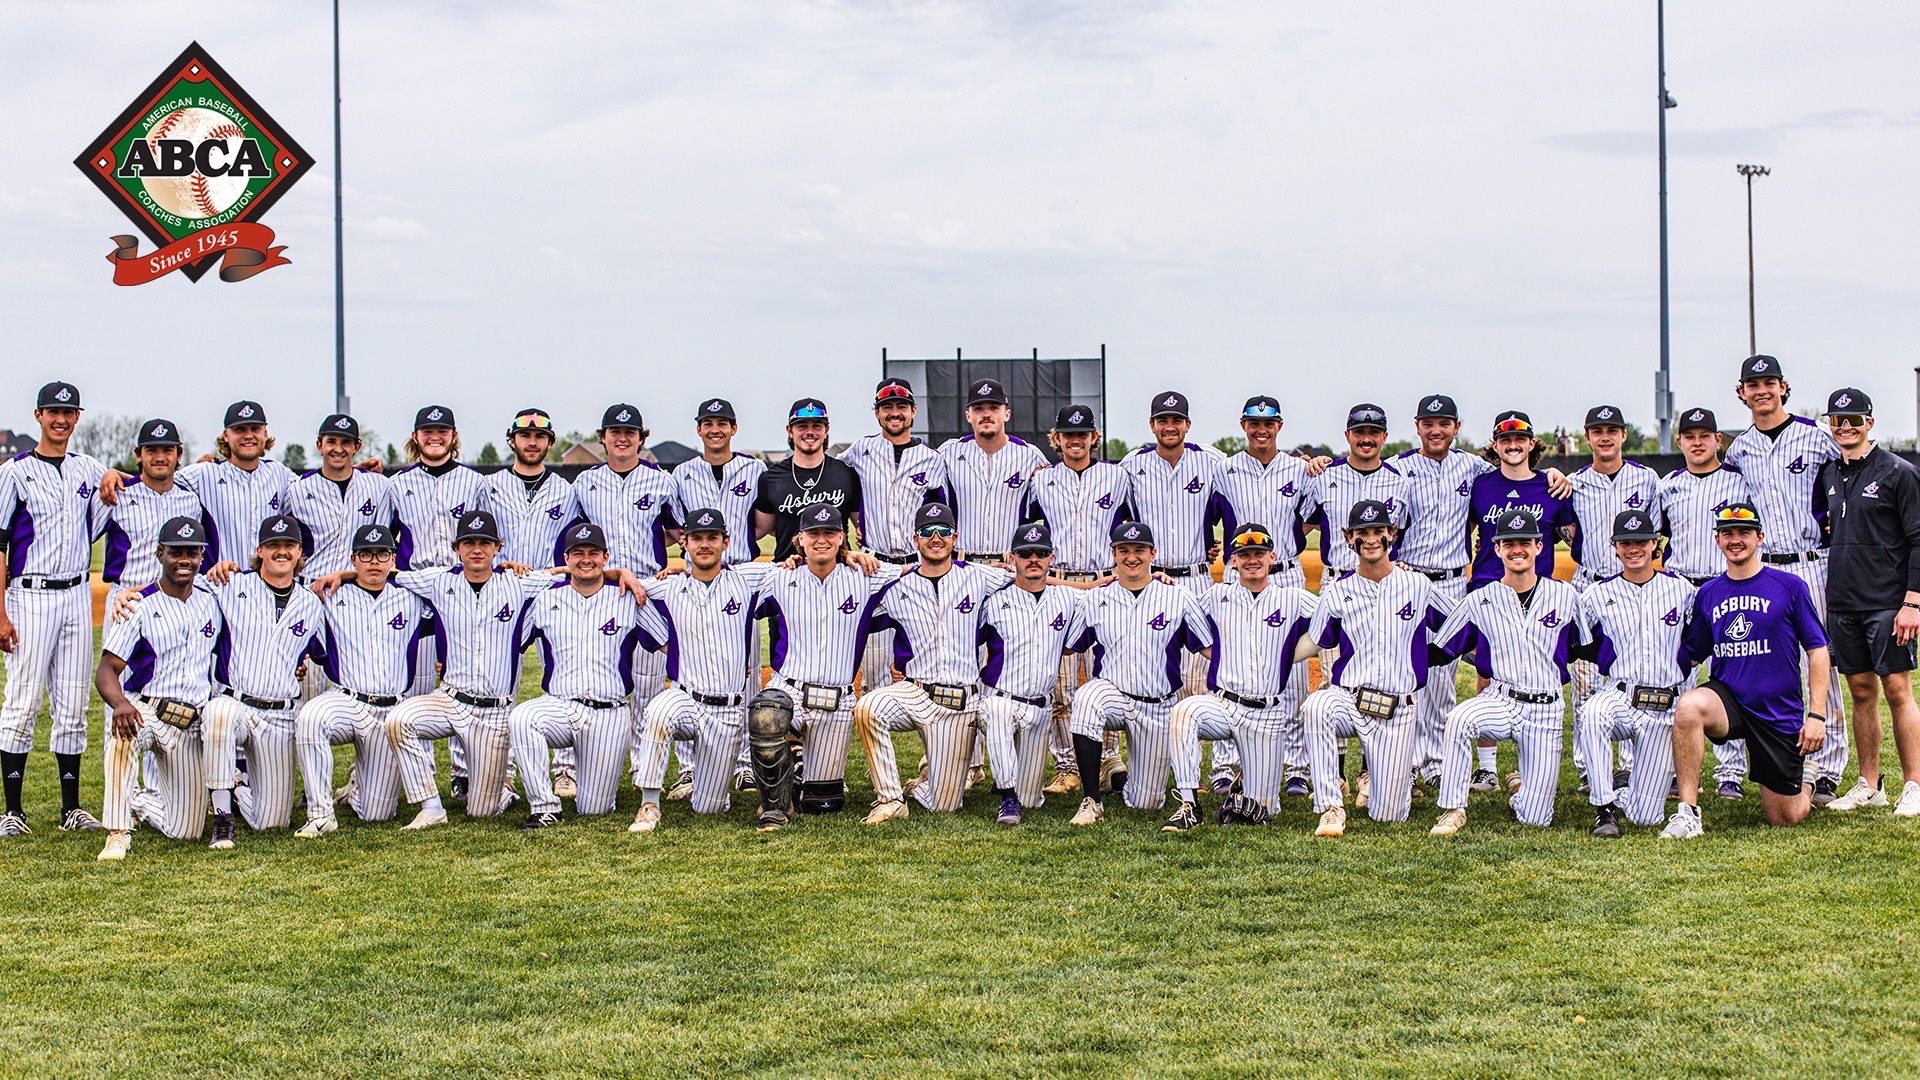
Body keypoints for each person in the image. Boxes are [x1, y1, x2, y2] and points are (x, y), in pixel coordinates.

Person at [317, 510, 556, 828]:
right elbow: (385, 574)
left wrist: (616, 573)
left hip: (494, 712)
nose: (476, 549)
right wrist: (344, 575)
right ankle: (431, 807)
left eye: (484, 543)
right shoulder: (439, 581)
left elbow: (574, 575)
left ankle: (499, 790)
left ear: (497, 547)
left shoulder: (518, 583)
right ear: (457, 548)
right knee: (399, 719)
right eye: (469, 542)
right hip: (451, 700)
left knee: (482, 811)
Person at [1664, 502, 1832, 836]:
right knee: (1688, 706)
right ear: (1717, 540)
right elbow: (1692, 654)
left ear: (1760, 538)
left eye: (1744, 532)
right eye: (1727, 534)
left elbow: (1817, 650)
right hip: (1729, 700)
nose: (1736, 540)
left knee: (1784, 817)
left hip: (1776, 710)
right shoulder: (1709, 593)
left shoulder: (1789, 586)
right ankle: (1688, 813)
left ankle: (1806, 781)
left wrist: (1816, 716)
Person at [1723, 355, 1847, 802]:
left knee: (1821, 661)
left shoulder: (1815, 436)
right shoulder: (1739, 449)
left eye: (1769, 382)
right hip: (1766, 566)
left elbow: (1852, 470)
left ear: (1783, 386)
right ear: (1742, 392)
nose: (1761, 390)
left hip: (1811, 560)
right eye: (1753, 384)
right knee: (1770, 664)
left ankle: (1829, 766)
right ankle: (1771, 758)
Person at [1428, 509, 1587, 835]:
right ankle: (1453, 809)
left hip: (1545, 708)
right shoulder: (1480, 599)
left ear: (1539, 546)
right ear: (1497, 548)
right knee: (1460, 718)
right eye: (1509, 543)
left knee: (1536, 819)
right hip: (1501, 701)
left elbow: (1584, 647)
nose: (1518, 550)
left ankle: (1521, 789)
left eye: (1525, 542)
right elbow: (1441, 650)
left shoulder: (1565, 596)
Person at [854, 503, 1014, 823]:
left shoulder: (978, 577)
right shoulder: (898, 587)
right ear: (916, 539)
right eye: (927, 532)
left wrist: (1093, 586)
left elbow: (1028, 580)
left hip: (959, 703)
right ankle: (891, 798)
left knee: (943, 805)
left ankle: (922, 785)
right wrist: (848, 556)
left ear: (955, 538)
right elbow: (853, 602)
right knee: (869, 706)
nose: (936, 538)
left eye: (943, 531)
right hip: (915, 692)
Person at [1300, 501, 1453, 837]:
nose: (1370, 539)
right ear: (1349, 538)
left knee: (1388, 816)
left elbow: (1459, 625)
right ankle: (1330, 808)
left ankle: (1385, 789)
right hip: (1349, 700)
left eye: (1377, 531)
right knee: (1316, 706)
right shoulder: (1339, 591)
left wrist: (1429, 656)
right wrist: (1273, 659)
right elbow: (1314, 640)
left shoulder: (1417, 585)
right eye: (1362, 532)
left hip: (1398, 708)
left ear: (1391, 534)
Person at [0, 381, 109, 837]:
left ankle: (71, 809)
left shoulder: (88, 468)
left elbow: (122, 487)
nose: (60, 419)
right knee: (23, 701)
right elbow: (0, 545)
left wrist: (114, 475)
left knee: (72, 704)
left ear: (77, 417)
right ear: (39, 416)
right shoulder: (14, 472)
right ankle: (12, 811)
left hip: (76, 594)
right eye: (52, 412)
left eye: (68, 412)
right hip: (29, 594)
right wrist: (0, 613)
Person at [1163, 522, 1317, 830]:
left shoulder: (1293, 599)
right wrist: (1160, 583)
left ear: (1272, 557)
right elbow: (1182, 618)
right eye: (1244, 554)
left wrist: (1287, 655)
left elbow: (1333, 620)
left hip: (1267, 714)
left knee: (1263, 809)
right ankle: (1189, 804)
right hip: (1223, 705)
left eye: (1259, 553)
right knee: (1184, 712)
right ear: (1233, 560)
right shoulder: (1217, 595)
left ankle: (1245, 783)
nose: (1252, 560)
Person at [1063, 520, 1215, 826]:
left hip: (1157, 706)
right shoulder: (1096, 599)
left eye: (1139, 550)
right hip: (1112, 695)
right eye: (1124, 550)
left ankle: (1115, 777)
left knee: (1145, 802)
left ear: (1152, 553)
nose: (1131, 557)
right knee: (1087, 698)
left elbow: (1209, 648)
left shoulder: (1178, 597)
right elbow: (1067, 648)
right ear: (1113, 554)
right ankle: (1091, 800)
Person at [566, 404, 684, 798]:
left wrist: (685, 565)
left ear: (641, 437)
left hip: (646, 591)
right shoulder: (585, 483)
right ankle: (573, 768)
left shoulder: (661, 481)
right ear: (602, 437)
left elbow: (679, 533)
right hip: (600, 592)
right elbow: (570, 540)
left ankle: (642, 768)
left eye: (630, 432)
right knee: (591, 680)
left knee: (649, 687)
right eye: (615, 432)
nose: (622, 438)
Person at [1814, 389, 1920, 815]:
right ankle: (1869, 784)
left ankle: (1913, 784)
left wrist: (1912, 603)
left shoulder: (1898, 472)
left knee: (1897, 690)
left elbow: (1918, 539)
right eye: (1837, 421)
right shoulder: (1829, 473)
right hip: (1843, 601)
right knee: (1860, 691)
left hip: (1887, 601)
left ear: (1870, 423)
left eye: (1854, 420)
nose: (1845, 427)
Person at [745, 504, 882, 831]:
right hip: (790, 688)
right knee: (767, 714)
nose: (821, 539)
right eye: (813, 534)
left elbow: (920, 571)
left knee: (823, 804)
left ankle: (797, 767)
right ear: (800, 539)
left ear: (841, 538)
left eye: (829, 533)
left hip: (836, 701)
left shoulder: (866, 578)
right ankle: (775, 808)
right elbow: (720, 574)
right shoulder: (780, 576)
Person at [629, 508, 766, 832]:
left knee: (709, 808)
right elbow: (625, 589)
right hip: (686, 699)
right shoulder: (670, 587)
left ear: (725, 542)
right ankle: (649, 804)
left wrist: (846, 556)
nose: (705, 544)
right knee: (658, 711)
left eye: (712, 538)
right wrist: (667, 643)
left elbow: (800, 568)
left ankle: (707, 788)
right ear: (684, 544)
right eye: (697, 538)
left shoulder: (746, 579)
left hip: (727, 711)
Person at [1207, 395, 1318, 794]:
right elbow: (1208, 515)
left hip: (1285, 573)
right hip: (1239, 574)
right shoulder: (1225, 469)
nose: (1261, 430)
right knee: (1232, 666)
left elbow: (1310, 518)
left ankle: (1295, 767)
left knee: (1292, 674)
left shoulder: (1298, 469)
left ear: (1279, 426)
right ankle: (1226, 765)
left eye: (1268, 423)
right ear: (1243, 425)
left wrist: (1286, 543)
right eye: (1254, 423)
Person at [93, 517, 222, 860]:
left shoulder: (212, 600)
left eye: (192, 552)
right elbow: (106, 670)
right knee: (123, 733)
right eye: (176, 552)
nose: (184, 560)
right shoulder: (139, 604)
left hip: (191, 723)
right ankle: (118, 831)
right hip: (147, 710)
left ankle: (139, 800)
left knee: (186, 831)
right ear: (160, 553)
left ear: (202, 555)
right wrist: (120, 703)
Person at [508, 523, 649, 829]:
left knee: (594, 809)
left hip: (609, 713)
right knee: (523, 717)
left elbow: (667, 642)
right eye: (578, 553)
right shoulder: (545, 599)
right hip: (561, 705)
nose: (586, 559)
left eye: (593, 553)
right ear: (566, 558)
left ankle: (591, 789)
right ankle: (544, 808)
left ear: (606, 557)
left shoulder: (628, 598)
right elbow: (512, 643)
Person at [292, 524, 426, 837]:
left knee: (376, 814)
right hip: (347, 700)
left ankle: (355, 790)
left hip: (389, 710)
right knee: (311, 717)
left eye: (382, 554)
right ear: (353, 559)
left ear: (393, 559)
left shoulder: (413, 599)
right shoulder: (328, 595)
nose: (374, 561)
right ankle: (320, 814)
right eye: (366, 554)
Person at [1023, 404, 1130, 796]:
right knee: (1061, 683)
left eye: (1082, 433)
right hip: (1061, 583)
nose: (1075, 440)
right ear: (1057, 438)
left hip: (1105, 583)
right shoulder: (1042, 481)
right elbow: (1025, 530)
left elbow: (1134, 527)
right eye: (1068, 434)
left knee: (1109, 678)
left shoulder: (1117, 477)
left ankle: (1108, 759)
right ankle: (1067, 766)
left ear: (1093, 437)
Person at [387, 405, 492, 790]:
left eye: (442, 430)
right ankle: (422, 773)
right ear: (416, 437)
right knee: (416, 683)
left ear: (453, 436)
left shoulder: (473, 482)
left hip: (460, 586)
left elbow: (487, 536)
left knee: (464, 681)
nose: (435, 436)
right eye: (427, 431)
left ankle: (463, 772)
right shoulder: (396, 484)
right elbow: (385, 539)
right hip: (414, 590)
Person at [1573, 511, 1696, 836]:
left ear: (1655, 543)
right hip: (1621, 696)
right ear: (1615, 546)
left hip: (1664, 705)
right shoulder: (1598, 594)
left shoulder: (1681, 590)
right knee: (1592, 713)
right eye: (1625, 542)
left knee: (1646, 817)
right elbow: (1575, 640)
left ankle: (1625, 795)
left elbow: (1697, 641)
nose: (1633, 549)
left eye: (1640, 541)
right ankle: (1604, 809)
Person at [1658, 407, 1754, 798]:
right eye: (1689, 436)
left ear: (1718, 440)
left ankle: (1730, 771)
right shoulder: (1668, 486)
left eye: (1704, 435)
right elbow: (1654, 534)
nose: (1697, 442)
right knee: (1676, 676)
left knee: (1729, 677)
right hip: (1681, 588)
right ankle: (1675, 769)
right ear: (1679, 441)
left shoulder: (1739, 481)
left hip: (1725, 586)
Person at [1564, 406, 1663, 778]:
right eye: (1597, 431)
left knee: (1633, 675)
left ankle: (1630, 765)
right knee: (1586, 680)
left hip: (1633, 586)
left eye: (1611, 430)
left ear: (1623, 435)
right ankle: (1589, 767)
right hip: (1589, 583)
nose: (1604, 437)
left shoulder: (1647, 479)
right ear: (1587, 437)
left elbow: (1656, 531)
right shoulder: (1573, 483)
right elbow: (1564, 529)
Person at [840, 378, 947, 693]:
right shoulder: (861, 450)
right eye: (887, 407)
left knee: (925, 661)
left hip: (918, 568)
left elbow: (943, 512)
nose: (895, 412)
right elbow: (833, 483)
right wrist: (851, 524)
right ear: (877, 413)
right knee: (874, 668)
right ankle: (875, 718)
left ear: (913, 411)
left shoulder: (932, 459)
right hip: (875, 566)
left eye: (902, 406)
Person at [976, 523, 1088, 823]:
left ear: (1052, 558)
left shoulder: (1066, 599)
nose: (1033, 559)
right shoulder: (994, 601)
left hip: (1040, 710)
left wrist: (1154, 578)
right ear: (1013, 558)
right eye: (1026, 553)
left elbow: (1108, 594)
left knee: (1032, 800)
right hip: (1000, 699)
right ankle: (1007, 797)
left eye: (1040, 553)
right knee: (999, 712)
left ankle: (1014, 786)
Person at [100, 400, 296, 568]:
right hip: (222, 583)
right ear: (226, 435)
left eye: (255, 429)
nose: (248, 435)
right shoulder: (203, 474)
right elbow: (155, 480)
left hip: (266, 583)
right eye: (240, 429)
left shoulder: (281, 474)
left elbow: (308, 494)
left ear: (265, 433)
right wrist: (114, 474)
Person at [937, 378, 1048, 565]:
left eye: (994, 408)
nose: (986, 414)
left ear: (1007, 414)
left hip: (1010, 566)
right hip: (961, 565)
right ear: (968, 416)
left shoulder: (1031, 455)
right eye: (978, 408)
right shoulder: (948, 452)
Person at [99, 419, 213, 591]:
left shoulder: (191, 500)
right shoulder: (118, 495)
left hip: (176, 596)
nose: (160, 458)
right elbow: (83, 536)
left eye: (167, 450)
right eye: (151, 450)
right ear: (139, 455)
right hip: (128, 596)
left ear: (179, 455)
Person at [286, 414, 396, 583]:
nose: (338, 449)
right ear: (319, 445)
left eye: (346, 442)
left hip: (358, 585)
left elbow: (383, 543)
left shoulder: (378, 485)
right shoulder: (298, 489)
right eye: (331, 442)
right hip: (312, 584)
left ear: (357, 446)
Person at [1305, 403, 1410, 578]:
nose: (1366, 439)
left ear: (1384, 437)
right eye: (1359, 432)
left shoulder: (1400, 482)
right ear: (1347, 435)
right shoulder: (1323, 476)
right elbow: (1307, 524)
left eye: (1374, 432)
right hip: (1336, 577)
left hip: (1384, 581)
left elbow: (1399, 532)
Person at [754, 398, 862, 562]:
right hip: (788, 568)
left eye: (817, 426)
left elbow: (862, 528)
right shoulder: (771, 478)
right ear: (790, 430)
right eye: (802, 426)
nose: (810, 432)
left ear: (826, 429)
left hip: (837, 569)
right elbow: (760, 529)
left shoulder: (847, 475)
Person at [482, 408, 578, 569]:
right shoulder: (489, 485)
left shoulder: (566, 491)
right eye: (525, 435)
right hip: (500, 579)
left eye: (540, 436)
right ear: (512, 440)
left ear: (550, 442)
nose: (532, 442)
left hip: (548, 581)